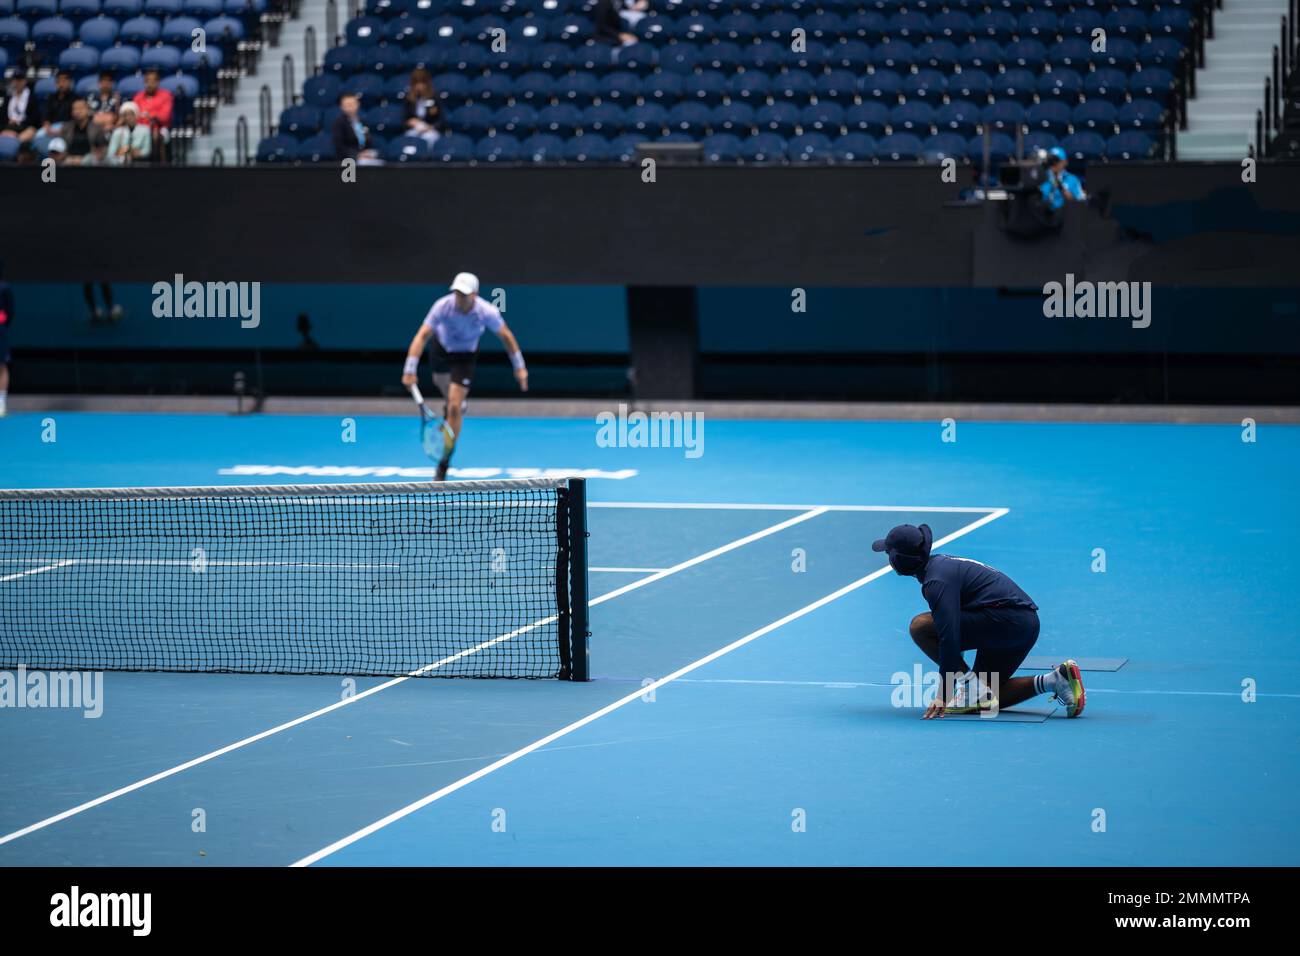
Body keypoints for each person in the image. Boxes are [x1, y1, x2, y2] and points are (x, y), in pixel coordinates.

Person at [872, 523, 1085, 719]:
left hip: (1006, 622)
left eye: (888, 554)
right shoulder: (940, 566)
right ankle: (1055, 680)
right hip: (1020, 624)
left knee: (920, 627)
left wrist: (944, 693)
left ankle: (970, 686)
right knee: (982, 699)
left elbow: (949, 637)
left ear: (898, 561)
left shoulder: (936, 582)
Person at [400, 272, 529, 481]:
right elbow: (422, 335)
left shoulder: (486, 311)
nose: (460, 298)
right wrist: (409, 369)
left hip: (465, 358)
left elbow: (506, 336)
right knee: (444, 391)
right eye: (457, 293)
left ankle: (444, 461)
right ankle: (453, 405)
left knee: (454, 406)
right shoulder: (442, 306)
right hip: (441, 351)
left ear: (475, 295)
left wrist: (520, 367)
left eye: (464, 294)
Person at [132, 68, 173, 162]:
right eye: (147, 81)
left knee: (156, 136)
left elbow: (165, 117)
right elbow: (134, 115)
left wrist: (150, 117)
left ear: (158, 82)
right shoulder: (138, 97)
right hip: (141, 127)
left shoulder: (166, 95)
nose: (149, 84)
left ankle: (157, 165)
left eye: (152, 81)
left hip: (160, 127)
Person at [34, 70, 76, 157]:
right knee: (39, 135)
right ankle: (43, 159)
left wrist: (63, 130)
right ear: (56, 83)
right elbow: (45, 115)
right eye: (60, 81)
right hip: (51, 126)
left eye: (65, 80)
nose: (62, 84)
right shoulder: (50, 97)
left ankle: (59, 158)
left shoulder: (75, 98)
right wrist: (47, 126)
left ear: (69, 82)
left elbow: (75, 118)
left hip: (67, 127)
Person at [331, 92, 379, 163]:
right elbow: (339, 146)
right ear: (342, 107)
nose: (350, 107)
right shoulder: (339, 123)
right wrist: (357, 155)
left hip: (364, 156)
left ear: (358, 104)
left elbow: (367, 140)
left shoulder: (362, 122)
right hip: (348, 159)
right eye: (347, 105)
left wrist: (367, 152)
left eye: (352, 104)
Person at [1, 74, 41, 152]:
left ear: (24, 81)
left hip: (25, 127)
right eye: (15, 80)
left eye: (19, 80)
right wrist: (9, 123)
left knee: (31, 131)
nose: (17, 83)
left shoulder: (32, 98)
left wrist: (19, 122)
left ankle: (14, 146)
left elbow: (35, 118)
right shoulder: (8, 97)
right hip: (9, 126)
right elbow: (2, 115)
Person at [1039, 146, 1086, 212]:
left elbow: (1081, 201)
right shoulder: (1041, 178)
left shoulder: (1072, 179)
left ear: (1065, 162)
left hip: (1066, 214)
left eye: (1057, 161)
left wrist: (1070, 197)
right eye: (1051, 161)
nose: (1054, 164)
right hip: (1044, 214)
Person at [62, 99, 107, 166]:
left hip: (90, 161)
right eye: (75, 109)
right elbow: (61, 148)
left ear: (87, 110)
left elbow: (103, 148)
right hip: (70, 160)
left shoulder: (96, 129)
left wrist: (84, 159)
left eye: (81, 108)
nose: (77, 111)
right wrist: (71, 158)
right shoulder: (66, 128)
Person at [404, 69, 441, 146]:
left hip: (430, 130)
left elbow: (441, 120)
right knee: (408, 137)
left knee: (429, 138)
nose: (419, 86)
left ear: (427, 83)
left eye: (422, 83)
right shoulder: (409, 99)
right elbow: (404, 118)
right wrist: (410, 122)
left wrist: (430, 127)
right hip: (414, 130)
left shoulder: (435, 98)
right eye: (416, 83)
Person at [0, 259, 13, 418]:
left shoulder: (4, 288)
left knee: (1, 366)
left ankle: (1, 403)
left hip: (0, 331)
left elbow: (9, 313)